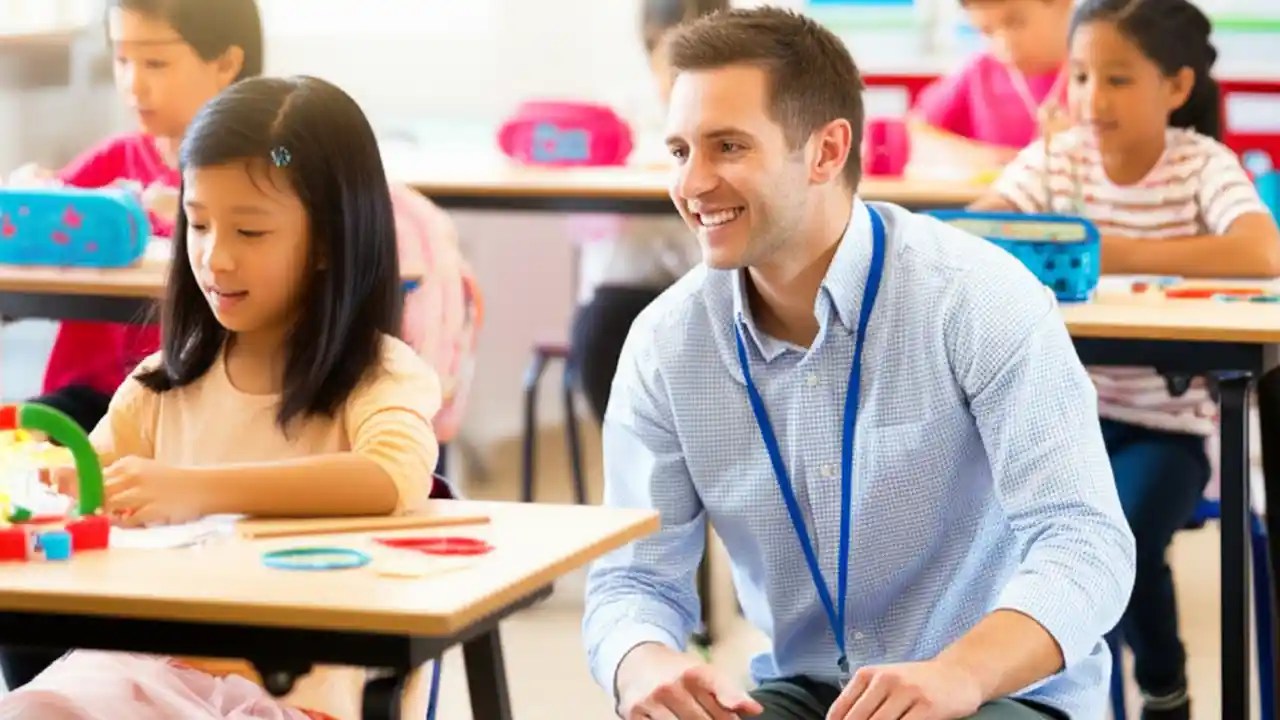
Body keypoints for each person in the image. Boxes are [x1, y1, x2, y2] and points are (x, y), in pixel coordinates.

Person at [582, 7, 1136, 720]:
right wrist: (643, 662)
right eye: (681, 151)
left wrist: (959, 676)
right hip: (811, 693)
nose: (692, 184)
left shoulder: (977, 300)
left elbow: (1085, 545)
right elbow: (630, 584)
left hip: (996, 693)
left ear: (825, 151)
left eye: (728, 147)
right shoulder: (667, 343)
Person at [0, 75, 449, 720]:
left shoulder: (379, 375)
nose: (215, 258)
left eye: (251, 232)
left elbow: (389, 476)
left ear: (327, 241)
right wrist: (42, 480)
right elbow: (83, 482)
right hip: (150, 671)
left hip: (294, 695)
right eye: (199, 224)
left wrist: (195, 487)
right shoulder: (163, 383)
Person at [972, 1, 1280, 717]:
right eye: (1079, 77)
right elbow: (984, 230)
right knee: (1005, 541)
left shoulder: (1199, 163)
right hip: (1057, 427)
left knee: (1119, 540)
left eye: (1116, 80)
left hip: (1162, 429)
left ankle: (1163, 684)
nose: (1090, 99)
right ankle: (1055, 693)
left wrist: (1093, 246)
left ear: (1174, 87)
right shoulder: (1056, 161)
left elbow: (1262, 251)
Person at [0, 0, 264, 691]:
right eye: (121, 60)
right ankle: (41, 681)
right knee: (33, 476)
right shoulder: (108, 168)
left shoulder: (260, 178)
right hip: (94, 406)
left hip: (192, 416)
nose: (132, 84)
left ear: (226, 62)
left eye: (155, 61)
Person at [568, 0, 720, 422]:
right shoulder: (618, 116)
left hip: (707, 291)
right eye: (670, 57)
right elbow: (583, 219)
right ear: (650, 49)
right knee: (606, 331)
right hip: (621, 292)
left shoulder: (734, 113)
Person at [908, 0, 1073, 173]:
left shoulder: (1093, 70)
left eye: (1016, 23)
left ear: (1063, 3)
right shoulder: (980, 72)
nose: (1004, 45)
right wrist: (983, 157)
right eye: (987, 31)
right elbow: (917, 130)